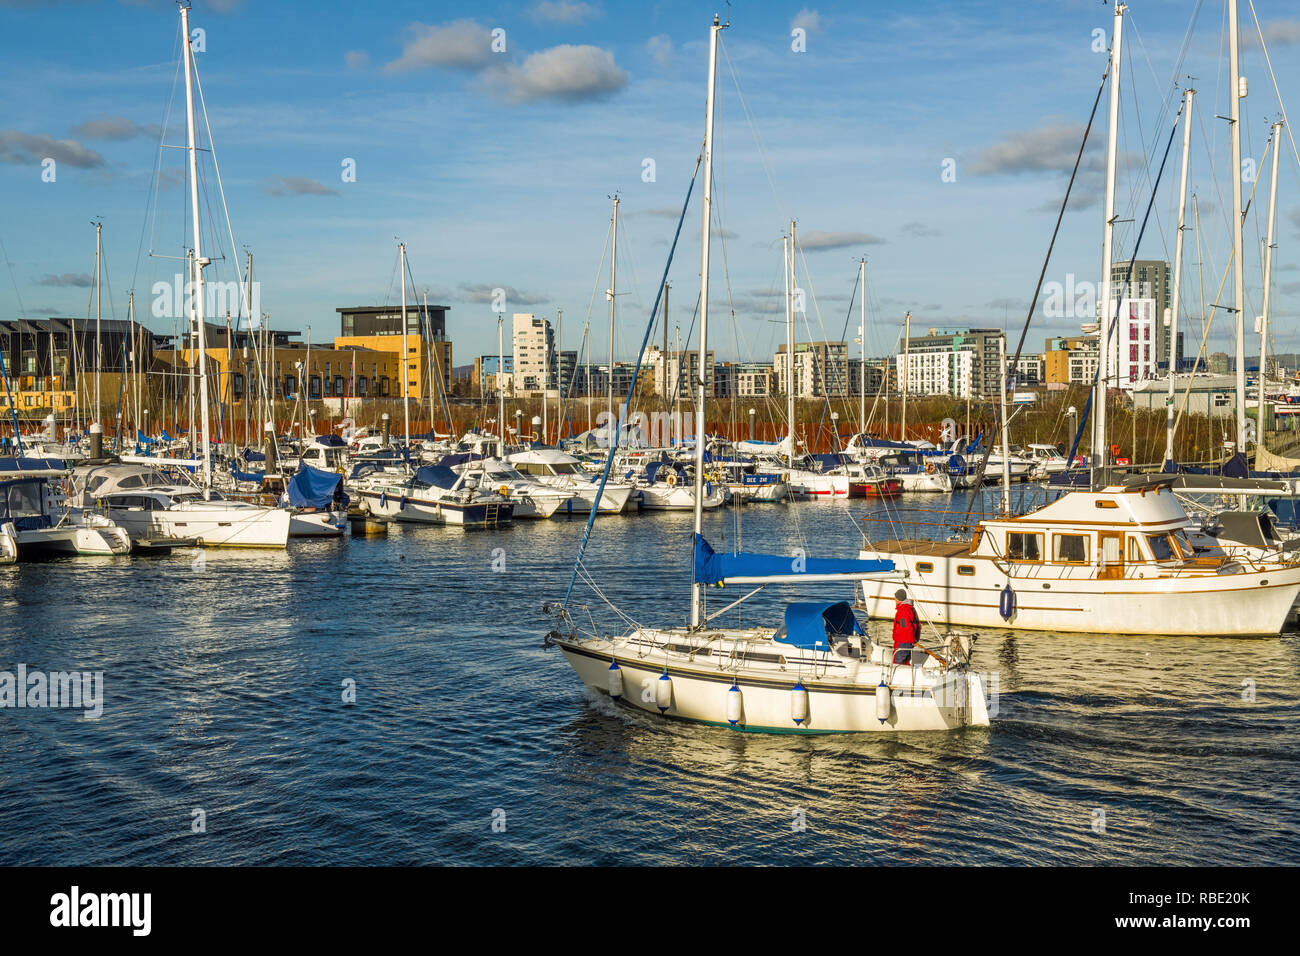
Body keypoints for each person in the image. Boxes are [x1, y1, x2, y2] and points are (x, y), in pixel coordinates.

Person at [891, 589, 920, 664]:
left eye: (895, 598)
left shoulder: (902, 611)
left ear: (898, 599)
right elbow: (917, 624)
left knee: (897, 662)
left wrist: (912, 640)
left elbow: (905, 627)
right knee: (905, 662)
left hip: (904, 641)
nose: (894, 599)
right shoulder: (910, 608)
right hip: (908, 641)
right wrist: (914, 640)